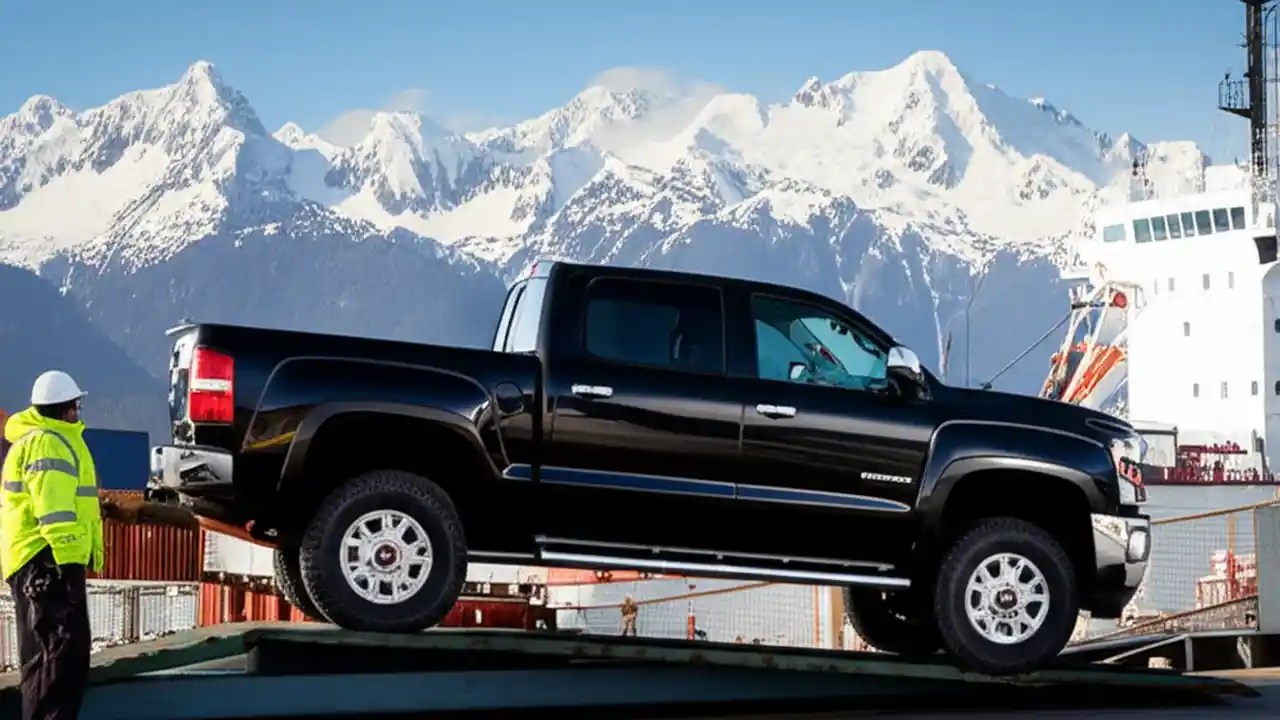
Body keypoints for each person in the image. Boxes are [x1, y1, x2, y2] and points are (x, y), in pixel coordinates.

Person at [1, 370, 104, 720]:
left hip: (43, 562)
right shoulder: (48, 442)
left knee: (47, 663)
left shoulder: (46, 438)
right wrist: (69, 567)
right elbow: (55, 513)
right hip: (49, 562)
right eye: (75, 406)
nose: (78, 412)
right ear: (63, 409)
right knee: (57, 663)